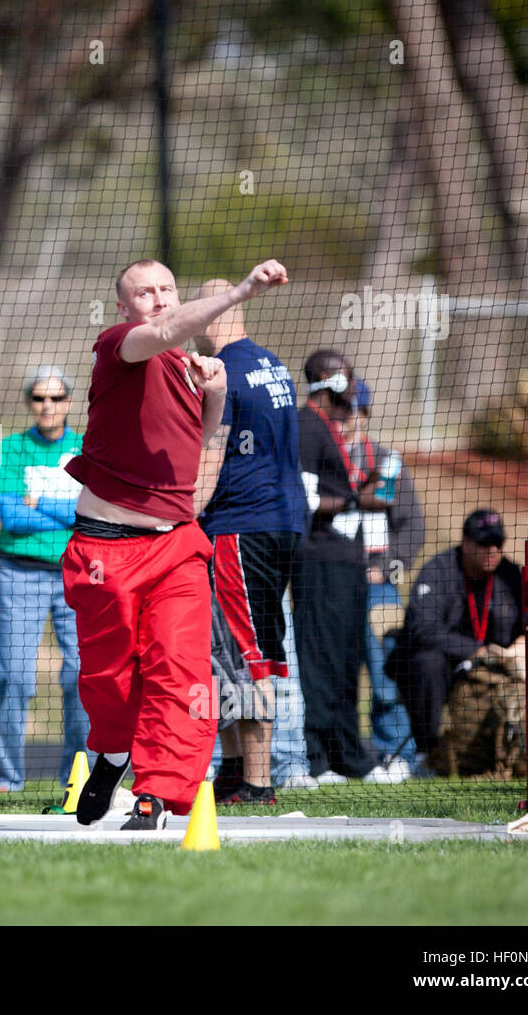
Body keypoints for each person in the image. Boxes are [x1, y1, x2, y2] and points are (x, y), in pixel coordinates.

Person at [63, 256, 289, 830]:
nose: (159, 299)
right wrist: (240, 292)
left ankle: (157, 794)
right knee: (108, 680)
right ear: (125, 307)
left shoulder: (189, 363)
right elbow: (164, 330)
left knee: (181, 669)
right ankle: (113, 755)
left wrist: (214, 391)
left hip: (177, 548)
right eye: (145, 293)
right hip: (104, 551)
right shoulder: (122, 344)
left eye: (167, 289)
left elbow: (196, 437)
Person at [194, 280, 306, 805]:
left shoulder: (225, 373)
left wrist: (180, 514)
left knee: (247, 654)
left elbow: (213, 456)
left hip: (241, 526)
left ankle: (258, 783)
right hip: (280, 522)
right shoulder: (273, 364)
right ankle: (236, 770)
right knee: (223, 650)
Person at [0, 366, 89, 792]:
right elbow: (10, 515)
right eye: (40, 398)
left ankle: (77, 778)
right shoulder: (11, 448)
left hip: (75, 575)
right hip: (20, 573)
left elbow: (89, 512)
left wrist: (40, 500)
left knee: (81, 674)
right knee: (15, 677)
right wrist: (65, 511)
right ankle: (4, 778)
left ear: (68, 402)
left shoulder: (86, 449)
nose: (48, 406)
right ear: (29, 402)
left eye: (57, 398)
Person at [293, 352, 394, 784]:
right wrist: (358, 500)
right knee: (320, 659)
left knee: (346, 661)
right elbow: (306, 500)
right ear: (324, 379)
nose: (354, 384)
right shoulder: (305, 426)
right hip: (319, 563)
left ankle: (347, 754)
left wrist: (361, 488)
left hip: (347, 563)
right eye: (347, 376)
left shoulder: (331, 429)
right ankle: (318, 759)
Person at [386, 509, 526, 776]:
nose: (492, 551)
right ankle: (427, 752)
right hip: (443, 665)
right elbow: (422, 629)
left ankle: (517, 754)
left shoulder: (510, 576)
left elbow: (526, 626)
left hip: (496, 667)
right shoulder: (438, 570)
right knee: (427, 661)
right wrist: (475, 650)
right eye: (484, 544)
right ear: (465, 542)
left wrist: (516, 647)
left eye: (497, 544)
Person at [345, 380, 424, 777]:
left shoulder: (387, 461)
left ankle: (394, 755)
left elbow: (412, 526)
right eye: (341, 410)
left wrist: (389, 566)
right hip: (332, 585)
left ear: (365, 414)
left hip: (379, 587)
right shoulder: (320, 457)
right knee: (335, 674)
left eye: (355, 411)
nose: (347, 419)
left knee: (385, 675)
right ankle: (335, 756)